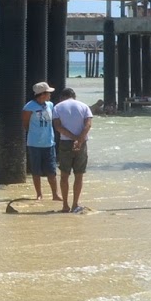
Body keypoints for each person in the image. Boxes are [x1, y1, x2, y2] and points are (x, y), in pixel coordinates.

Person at [53, 86, 94, 214]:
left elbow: (58, 127)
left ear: (62, 97)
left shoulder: (57, 107)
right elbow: (88, 125)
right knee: (79, 175)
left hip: (65, 143)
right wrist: (80, 140)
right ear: (74, 96)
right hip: (82, 143)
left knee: (64, 175)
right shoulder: (84, 106)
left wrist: (73, 138)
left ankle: (65, 205)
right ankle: (75, 204)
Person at [21, 81, 61, 203]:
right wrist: (34, 132)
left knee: (52, 171)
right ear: (42, 94)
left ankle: (55, 194)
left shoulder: (50, 105)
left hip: (49, 143)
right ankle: (39, 194)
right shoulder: (29, 106)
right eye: (48, 93)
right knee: (36, 170)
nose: (50, 95)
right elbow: (25, 123)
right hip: (34, 144)